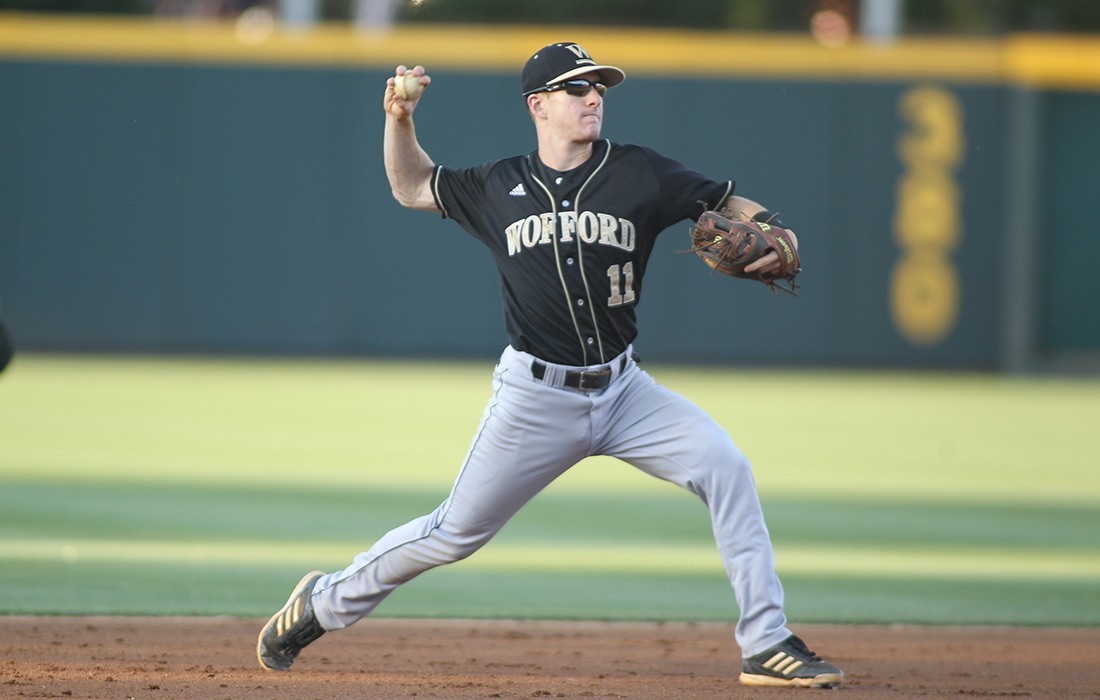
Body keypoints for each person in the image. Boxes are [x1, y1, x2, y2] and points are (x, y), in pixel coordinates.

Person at [257, 41, 844, 689]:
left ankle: (766, 642)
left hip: (626, 392)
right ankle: (322, 602)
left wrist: (778, 234)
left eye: (598, 87)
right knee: (454, 533)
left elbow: (734, 206)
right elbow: (410, 186)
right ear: (538, 105)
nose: (593, 97)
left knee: (726, 468)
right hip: (536, 399)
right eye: (577, 88)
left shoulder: (640, 172)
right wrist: (399, 119)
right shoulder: (497, 185)